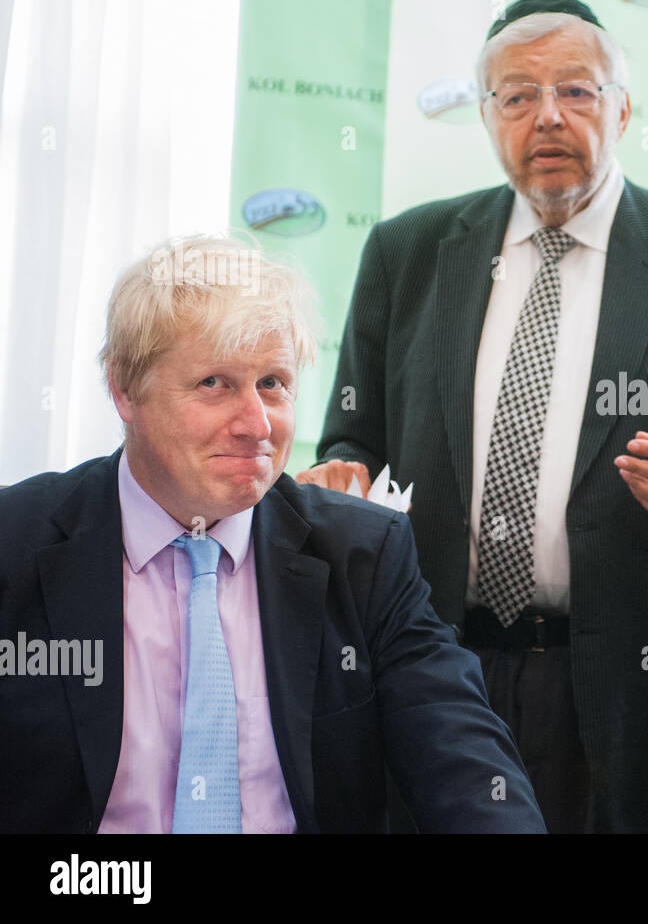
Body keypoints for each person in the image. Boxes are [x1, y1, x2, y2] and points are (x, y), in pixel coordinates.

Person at [300, 0, 648, 833]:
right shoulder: (408, 251)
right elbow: (353, 434)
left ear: (624, 108)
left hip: (629, 690)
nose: (548, 117)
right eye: (519, 95)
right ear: (488, 115)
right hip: (436, 666)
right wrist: (341, 471)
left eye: (577, 91)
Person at [0, 235, 546, 833]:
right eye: (214, 383)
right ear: (124, 390)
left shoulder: (363, 555)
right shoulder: (17, 544)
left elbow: (462, 758)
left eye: (273, 383)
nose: (257, 425)